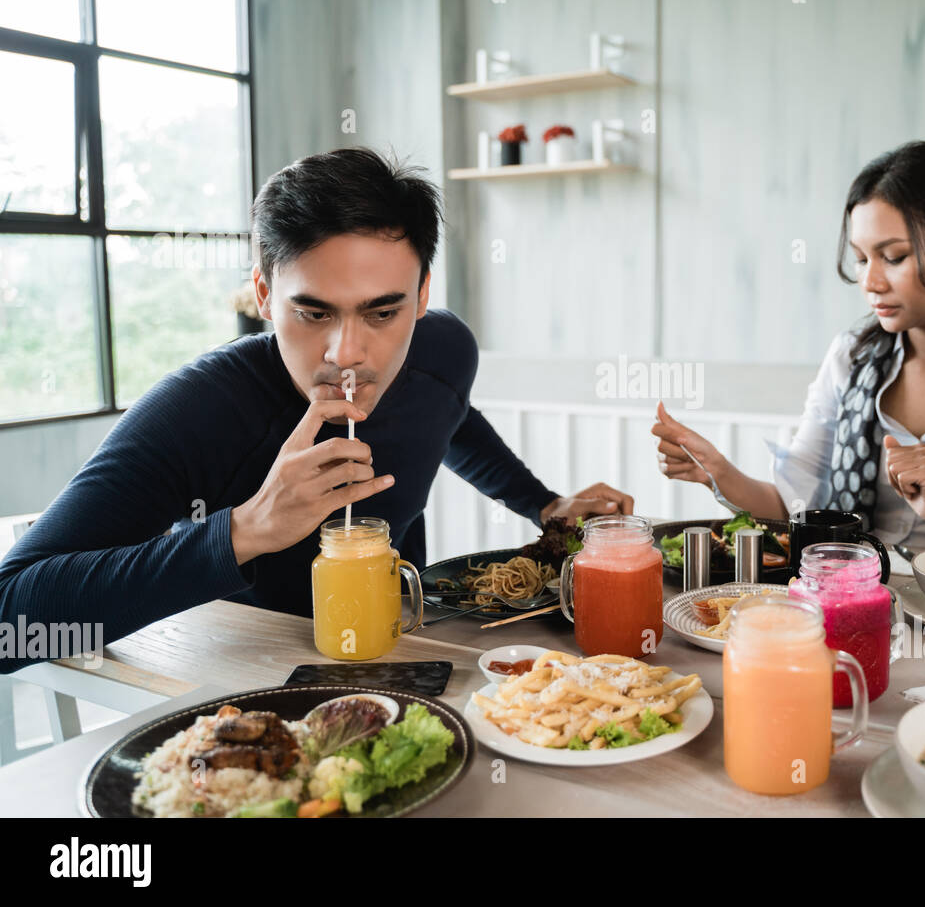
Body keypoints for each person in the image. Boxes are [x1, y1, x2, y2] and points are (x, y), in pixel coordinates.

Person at [0, 148, 631, 672]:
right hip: (245, 699)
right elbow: (9, 617)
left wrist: (543, 505)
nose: (348, 354)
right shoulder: (196, 410)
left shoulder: (443, 348)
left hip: (408, 663)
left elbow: (449, 417)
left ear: (422, 295)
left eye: (384, 312)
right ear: (264, 293)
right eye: (313, 312)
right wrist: (247, 530)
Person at [653, 141, 925, 556]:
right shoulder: (852, 356)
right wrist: (718, 473)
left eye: (893, 257)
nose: (870, 283)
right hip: (856, 601)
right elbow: (792, 507)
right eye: (860, 258)